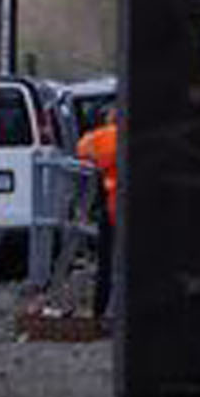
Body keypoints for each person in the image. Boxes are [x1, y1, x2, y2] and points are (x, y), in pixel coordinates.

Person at [77, 107, 121, 319]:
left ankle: (100, 313)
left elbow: (82, 150)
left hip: (113, 210)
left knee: (107, 265)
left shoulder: (101, 137)